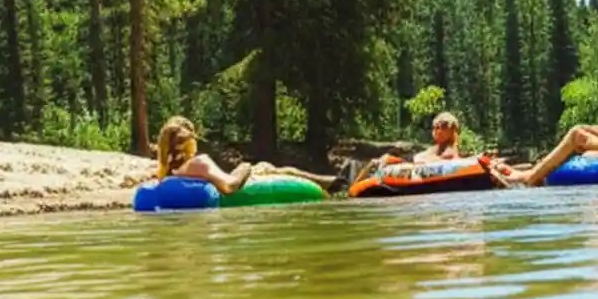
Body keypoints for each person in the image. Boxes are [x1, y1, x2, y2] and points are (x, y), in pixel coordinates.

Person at [155, 116, 343, 194]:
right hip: (238, 182)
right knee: (271, 168)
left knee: (270, 167)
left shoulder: (167, 173)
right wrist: (245, 167)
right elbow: (230, 186)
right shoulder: (198, 162)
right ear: (190, 141)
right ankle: (336, 184)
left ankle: (333, 182)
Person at [350, 112, 468, 184]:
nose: (438, 131)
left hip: (414, 168)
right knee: (379, 160)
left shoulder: (450, 149)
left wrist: (419, 163)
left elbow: (451, 161)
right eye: (435, 127)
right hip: (409, 163)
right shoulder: (436, 148)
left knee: (384, 160)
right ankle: (353, 189)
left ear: (452, 129)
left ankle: (353, 190)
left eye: (443, 127)